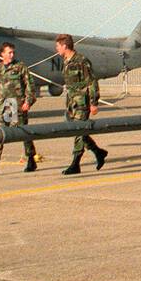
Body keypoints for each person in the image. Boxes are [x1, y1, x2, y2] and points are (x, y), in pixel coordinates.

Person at [55, 33, 107, 175]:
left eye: (58, 46)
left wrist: (94, 102)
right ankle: (98, 152)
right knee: (78, 130)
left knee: (78, 131)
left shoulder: (81, 61)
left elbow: (92, 82)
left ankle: (75, 164)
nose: (57, 49)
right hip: (72, 103)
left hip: (82, 102)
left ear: (65, 46)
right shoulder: (66, 61)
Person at [0, 42, 37, 176]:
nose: (12, 55)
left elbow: (30, 85)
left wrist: (28, 102)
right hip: (4, 105)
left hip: (16, 105)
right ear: (2, 54)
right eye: (9, 52)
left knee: (24, 133)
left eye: (13, 52)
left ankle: (31, 158)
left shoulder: (20, 67)